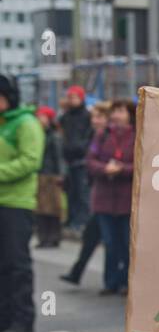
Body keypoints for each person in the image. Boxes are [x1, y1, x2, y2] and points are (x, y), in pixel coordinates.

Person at [0, 74, 44, 332]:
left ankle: (23, 319)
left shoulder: (26, 123)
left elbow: (30, 161)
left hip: (16, 202)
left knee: (16, 264)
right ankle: (4, 317)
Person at [85, 99, 134, 296]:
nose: (116, 116)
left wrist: (122, 169)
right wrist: (105, 169)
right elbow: (90, 161)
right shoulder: (102, 135)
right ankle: (110, 281)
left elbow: (144, 163)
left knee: (127, 243)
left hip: (127, 200)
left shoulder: (139, 135)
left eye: (121, 111)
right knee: (110, 243)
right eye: (114, 111)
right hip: (104, 199)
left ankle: (126, 280)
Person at [59, 102, 108, 287]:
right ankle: (76, 272)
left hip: (107, 196)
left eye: (98, 117)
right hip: (97, 192)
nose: (94, 120)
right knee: (91, 236)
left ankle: (115, 279)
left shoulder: (107, 137)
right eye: (93, 116)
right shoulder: (94, 136)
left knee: (113, 241)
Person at [58, 84, 92, 235]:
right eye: (69, 97)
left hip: (81, 159)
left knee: (82, 193)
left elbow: (88, 136)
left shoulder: (86, 115)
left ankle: (82, 222)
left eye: (74, 97)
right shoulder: (66, 116)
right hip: (69, 159)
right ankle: (71, 220)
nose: (71, 100)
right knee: (70, 192)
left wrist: (81, 147)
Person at [33, 106, 63, 248]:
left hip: (51, 175)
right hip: (40, 174)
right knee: (40, 208)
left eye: (42, 117)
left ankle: (53, 237)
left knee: (52, 208)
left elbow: (59, 157)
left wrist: (60, 174)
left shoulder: (54, 136)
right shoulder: (37, 134)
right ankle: (43, 237)